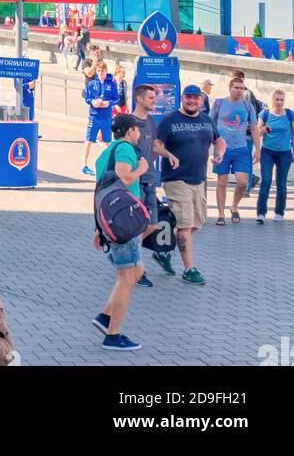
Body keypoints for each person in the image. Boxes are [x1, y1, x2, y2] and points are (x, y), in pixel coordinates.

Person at [155, 85, 225, 284]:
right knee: (185, 224)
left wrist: (219, 154)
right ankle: (189, 269)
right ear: (182, 98)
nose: (192, 101)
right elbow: (156, 144)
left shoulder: (206, 120)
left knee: (198, 222)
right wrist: (168, 154)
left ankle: (165, 250)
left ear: (201, 100)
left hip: (199, 179)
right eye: (189, 98)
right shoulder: (169, 120)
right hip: (176, 179)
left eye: (196, 98)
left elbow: (219, 141)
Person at [91, 113, 148, 352]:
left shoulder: (105, 153)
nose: (140, 134)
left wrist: (99, 227)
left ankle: (105, 315)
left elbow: (100, 191)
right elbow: (125, 177)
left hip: (112, 221)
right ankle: (112, 335)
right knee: (127, 279)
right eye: (137, 129)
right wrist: (142, 168)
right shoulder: (125, 149)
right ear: (129, 131)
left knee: (137, 271)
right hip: (124, 222)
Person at [131, 82, 178, 284]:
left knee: (151, 224)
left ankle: (129, 258)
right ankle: (136, 269)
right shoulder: (128, 122)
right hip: (134, 181)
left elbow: (155, 146)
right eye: (151, 98)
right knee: (135, 226)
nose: (155, 100)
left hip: (150, 180)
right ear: (139, 99)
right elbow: (118, 149)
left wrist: (169, 155)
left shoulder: (151, 121)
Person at [211, 76, 261, 224]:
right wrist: (209, 148)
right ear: (230, 88)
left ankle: (234, 206)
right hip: (222, 149)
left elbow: (254, 129)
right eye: (236, 87)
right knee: (222, 181)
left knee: (243, 182)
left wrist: (258, 149)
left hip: (241, 148)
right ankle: (221, 214)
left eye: (242, 88)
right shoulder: (219, 103)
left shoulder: (248, 106)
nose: (239, 91)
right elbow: (210, 124)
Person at [256, 88, 294, 221]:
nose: (279, 102)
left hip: (284, 153)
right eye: (277, 99)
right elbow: (257, 134)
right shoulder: (265, 114)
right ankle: (261, 213)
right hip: (268, 152)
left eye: (281, 100)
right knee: (266, 181)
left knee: (281, 183)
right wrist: (264, 129)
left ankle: (279, 213)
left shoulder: (290, 114)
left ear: (284, 101)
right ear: (272, 100)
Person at [81, 61, 119, 174]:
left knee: (107, 141)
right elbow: (87, 97)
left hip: (106, 116)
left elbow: (116, 98)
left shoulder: (111, 84)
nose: (100, 73)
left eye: (102, 71)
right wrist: (92, 101)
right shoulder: (92, 84)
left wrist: (109, 103)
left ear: (106, 71)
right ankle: (84, 165)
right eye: (98, 71)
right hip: (94, 116)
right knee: (89, 140)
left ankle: (110, 166)